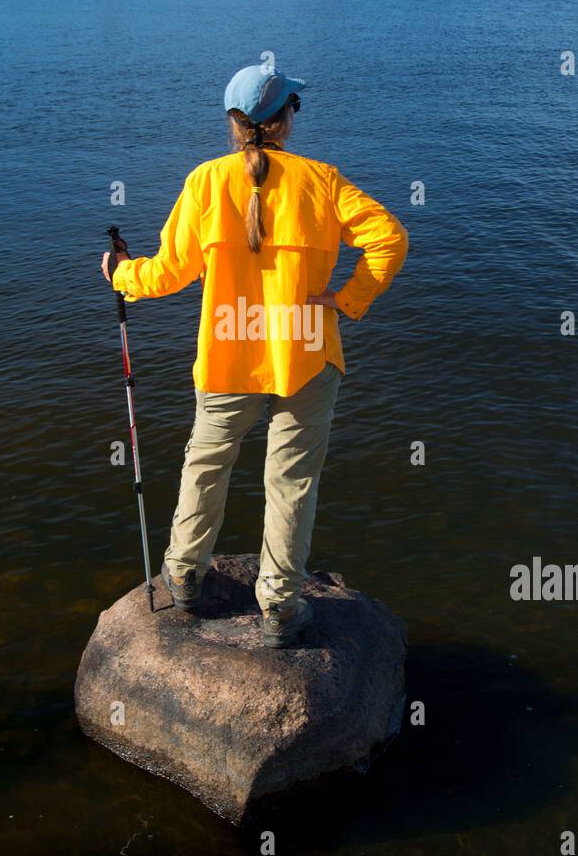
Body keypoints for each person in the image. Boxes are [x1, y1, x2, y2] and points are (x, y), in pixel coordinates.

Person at [101, 64, 408, 648]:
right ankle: (280, 606)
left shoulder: (205, 181)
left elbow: (168, 274)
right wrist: (347, 299)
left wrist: (122, 275)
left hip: (226, 355)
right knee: (290, 480)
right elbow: (389, 237)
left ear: (233, 124)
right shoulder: (321, 180)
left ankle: (185, 577)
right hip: (307, 353)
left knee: (206, 463)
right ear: (286, 119)